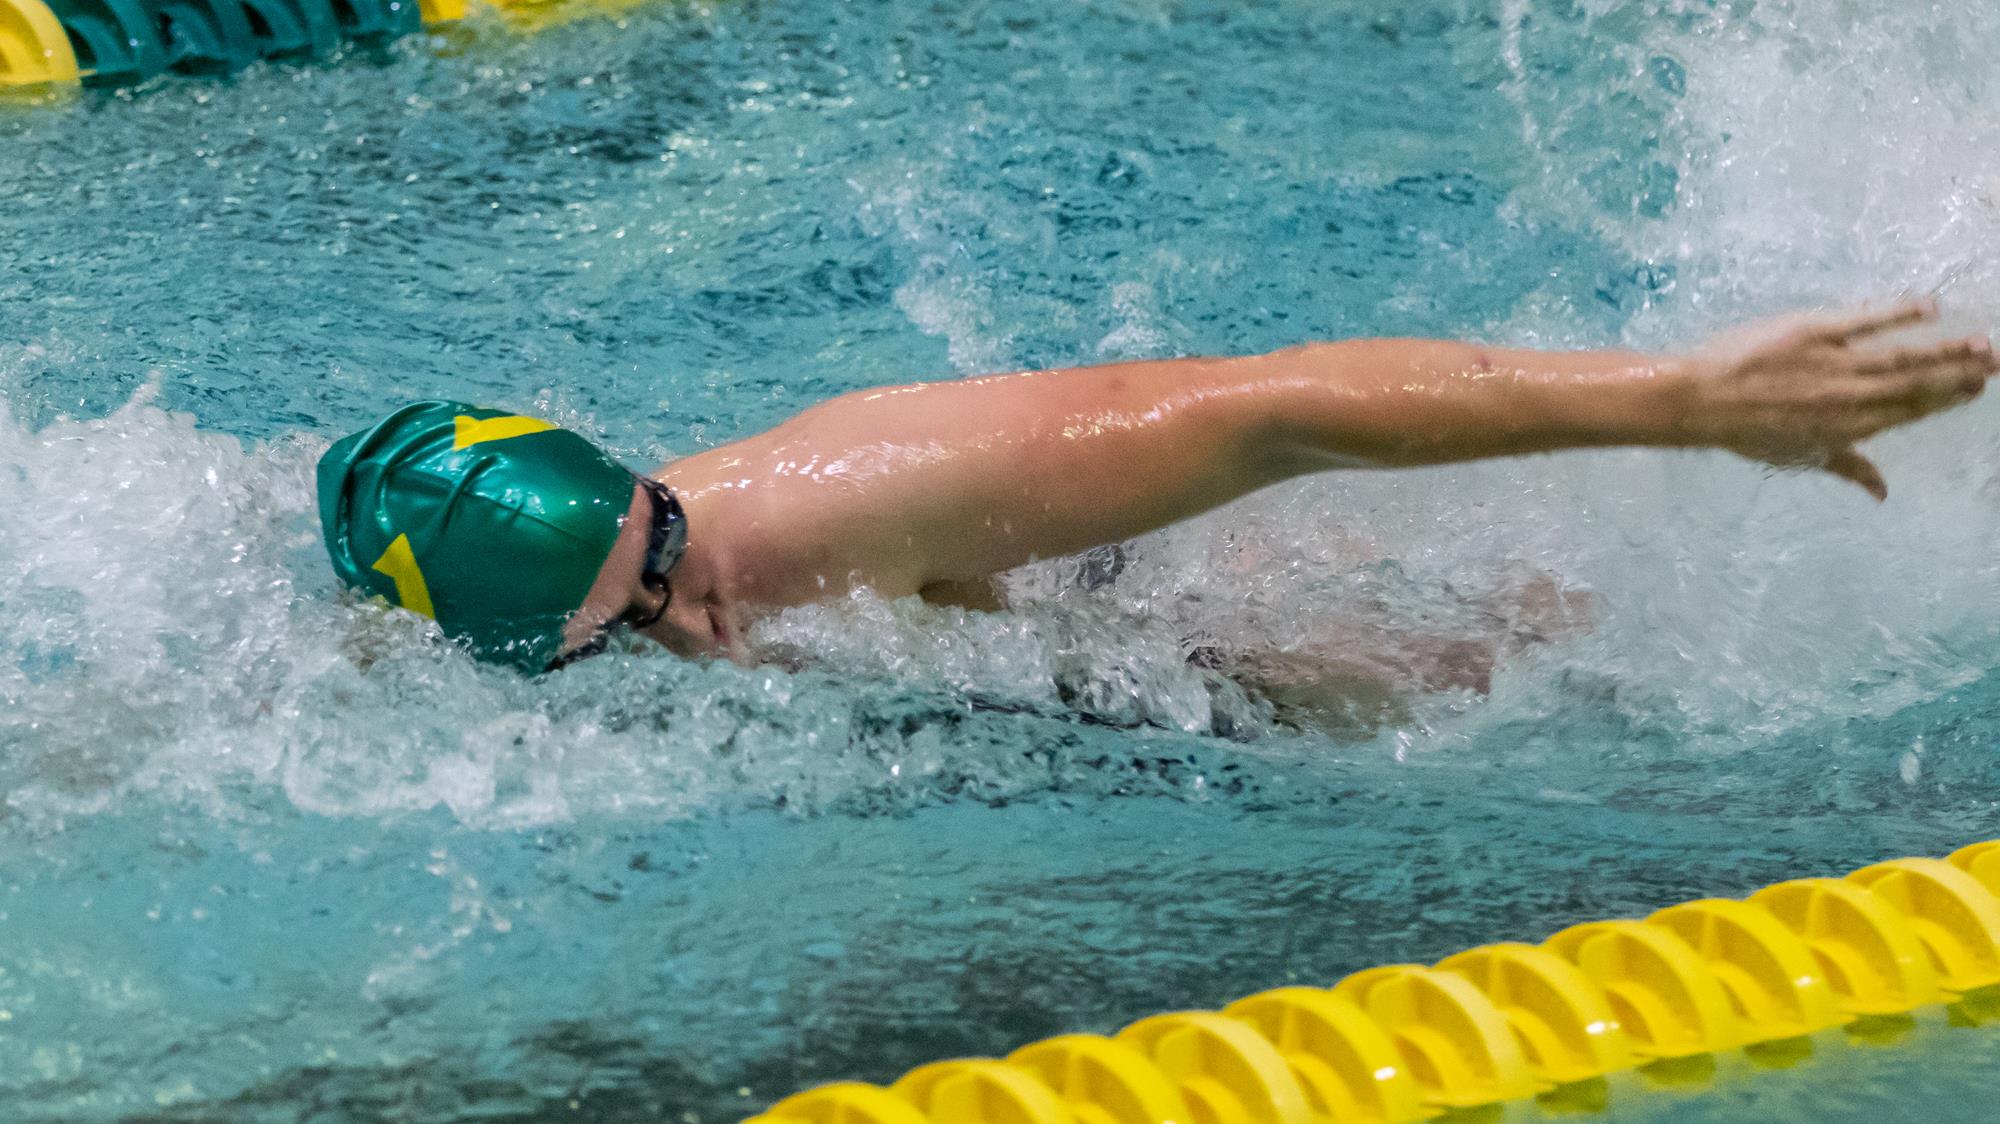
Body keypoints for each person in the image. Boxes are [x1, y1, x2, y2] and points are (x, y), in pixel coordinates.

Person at [317, 300, 1996, 674]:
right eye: (632, 625)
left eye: (668, 554)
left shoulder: (850, 504)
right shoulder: (442, 629)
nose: (699, 617)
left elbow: (1269, 413)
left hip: (1137, 613)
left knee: (1521, 658)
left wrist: (1685, 403)